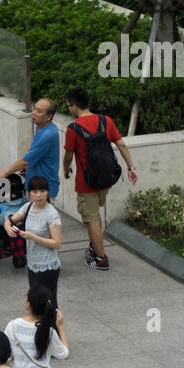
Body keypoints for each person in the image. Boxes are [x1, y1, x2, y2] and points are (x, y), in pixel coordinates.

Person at [62, 87, 138, 271]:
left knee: (92, 218)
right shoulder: (106, 121)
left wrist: (65, 169)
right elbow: (121, 144)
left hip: (86, 182)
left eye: (68, 106)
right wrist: (131, 167)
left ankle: (101, 258)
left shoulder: (73, 129)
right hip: (106, 178)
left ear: (74, 106)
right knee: (95, 215)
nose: (68, 109)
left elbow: (68, 155)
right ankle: (93, 247)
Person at [3, 175, 63, 307]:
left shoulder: (52, 214)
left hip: (48, 265)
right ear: (29, 193)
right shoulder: (28, 207)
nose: (39, 195)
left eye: (42, 191)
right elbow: (10, 219)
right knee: (36, 303)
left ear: (47, 192)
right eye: (35, 192)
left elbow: (57, 243)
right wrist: (7, 226)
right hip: (32, 264)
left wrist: (32, 237)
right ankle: (42, 327)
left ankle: (55, 327)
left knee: (49, 303)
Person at [0, 99, 60, 199]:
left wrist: (5, 172)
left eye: (39, 111)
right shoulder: (41, 127)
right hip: (35, 186)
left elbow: (26, 160)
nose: (34, 113)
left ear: (49, 117)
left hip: (42, 191)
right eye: (34, 108)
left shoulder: (48, 135)